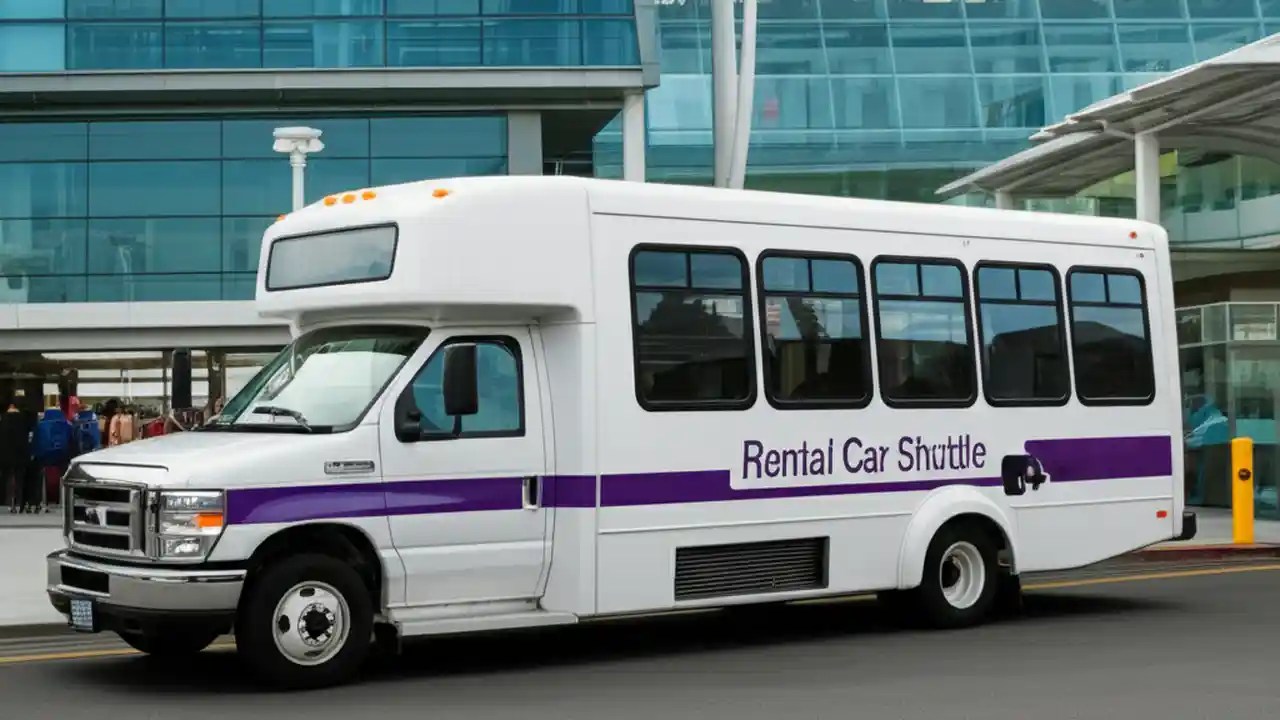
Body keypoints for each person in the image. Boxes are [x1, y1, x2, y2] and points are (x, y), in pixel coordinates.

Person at [0, 400, 31, 513]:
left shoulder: (2, 419)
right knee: (20, 479)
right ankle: (19, 503)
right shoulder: (24, 420)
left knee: (7, 477)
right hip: (21, 454)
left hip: (4, 455)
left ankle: (8, 502)